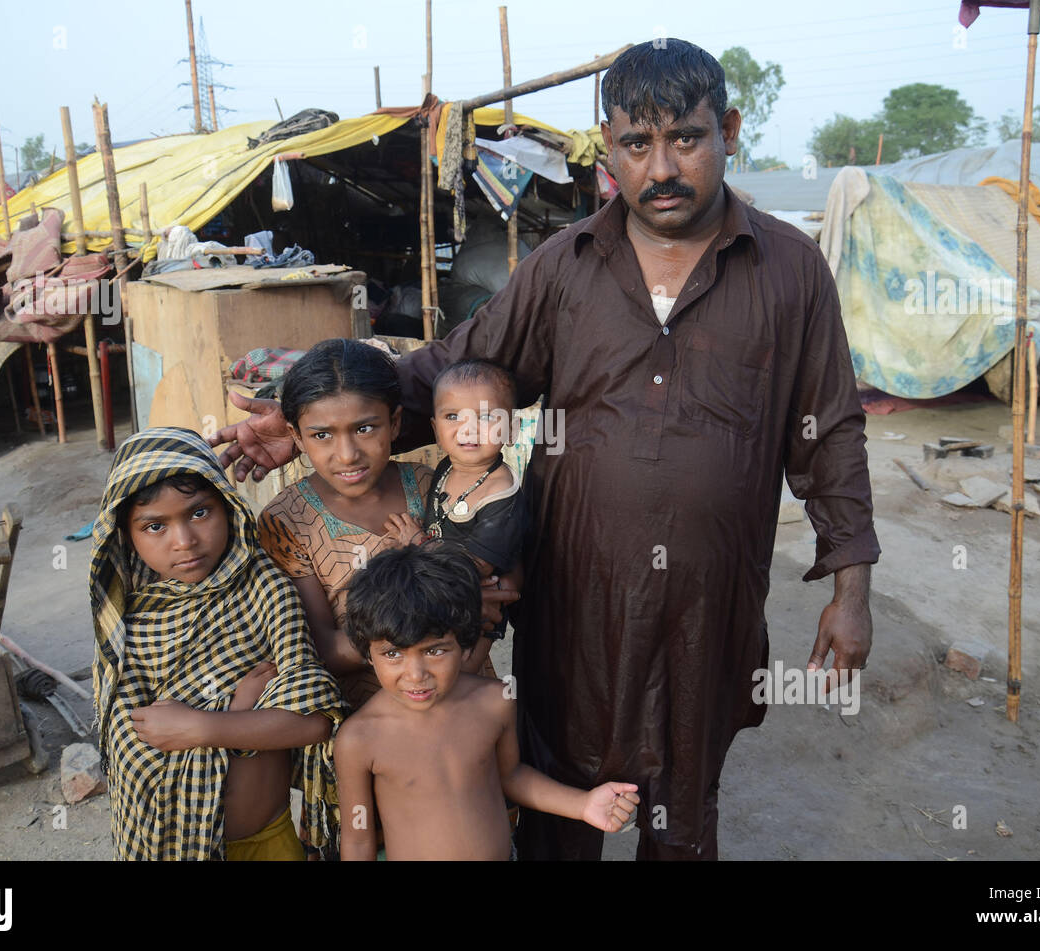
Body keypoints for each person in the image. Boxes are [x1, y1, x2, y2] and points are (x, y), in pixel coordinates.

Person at [210, 38, 879, 860]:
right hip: (576, 598)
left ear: (730, 130)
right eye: (638, 144)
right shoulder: (566, 268)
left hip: (710, 600)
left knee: (685, 801)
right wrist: (323, 414)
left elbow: (831, 430)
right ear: (609, 149)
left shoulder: (791, 271)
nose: (661, 167)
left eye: (686, 139)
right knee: (561, 793)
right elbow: (456, 369)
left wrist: (852, 589)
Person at [89, 427, 343, 860]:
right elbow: (136, 748)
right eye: (155, 526)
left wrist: (205, 727)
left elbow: (314, 720)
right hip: (176, 846)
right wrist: (242, 712)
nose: (184, 541)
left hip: (271, 839)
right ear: (125, 535)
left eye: (199, 513)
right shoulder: (129, 624)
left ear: (227, 506)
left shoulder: (265, 589)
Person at [334, 544, 639, 860]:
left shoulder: (495, 701)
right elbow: (358, 840)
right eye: (393, 654)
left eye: (434, 650)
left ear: (465, 645)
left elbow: (512, 776)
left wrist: (583, 804)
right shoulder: (359, 739)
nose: (415, 675)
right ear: (368, 653)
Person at [255, 339, 503, 712]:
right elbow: (320, 647)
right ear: (296, 437)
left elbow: (491, 593)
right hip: (374, 721)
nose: (347, 454)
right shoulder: (287, 521)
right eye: (322, 435)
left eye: (365, 428)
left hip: (468, 702)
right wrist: (445, 613)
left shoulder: (434, 486)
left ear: (395, 422)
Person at [409, 358, 531, 638]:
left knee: (465, 675)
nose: (468, 428)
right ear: (436, 429)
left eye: (486, 416)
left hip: (481, 612)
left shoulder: (501, 495)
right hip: (442, 597)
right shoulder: (447, 467)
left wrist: (417, 541)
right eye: (453, 416)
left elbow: (475, 566)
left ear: (512, 429)